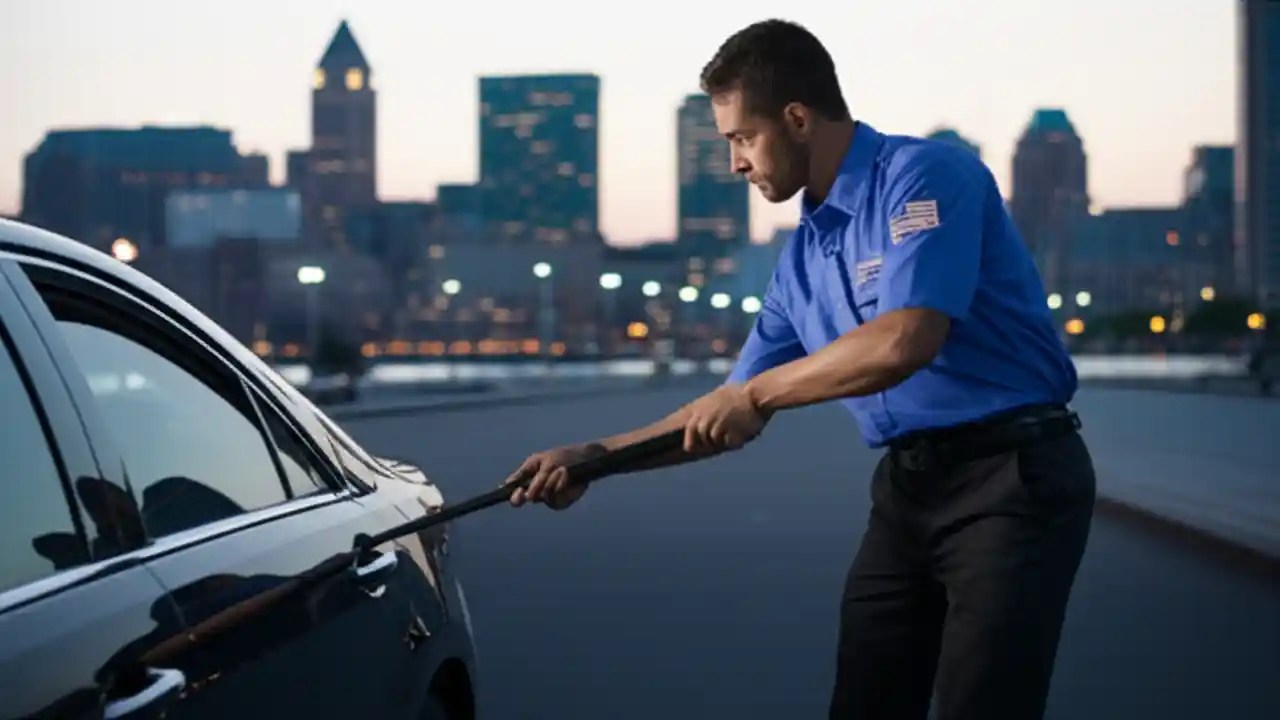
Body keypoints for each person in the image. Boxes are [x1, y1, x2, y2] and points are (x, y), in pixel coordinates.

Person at [504, 18, 1095, 720]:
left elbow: (906, 339)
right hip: (908, 490)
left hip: (1012, 478)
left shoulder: (922, 175)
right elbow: (727, 408)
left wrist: (758, 393)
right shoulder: (803, 260)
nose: (735, 163)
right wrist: (594, 460)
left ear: (796, 119)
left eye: (741, 138)